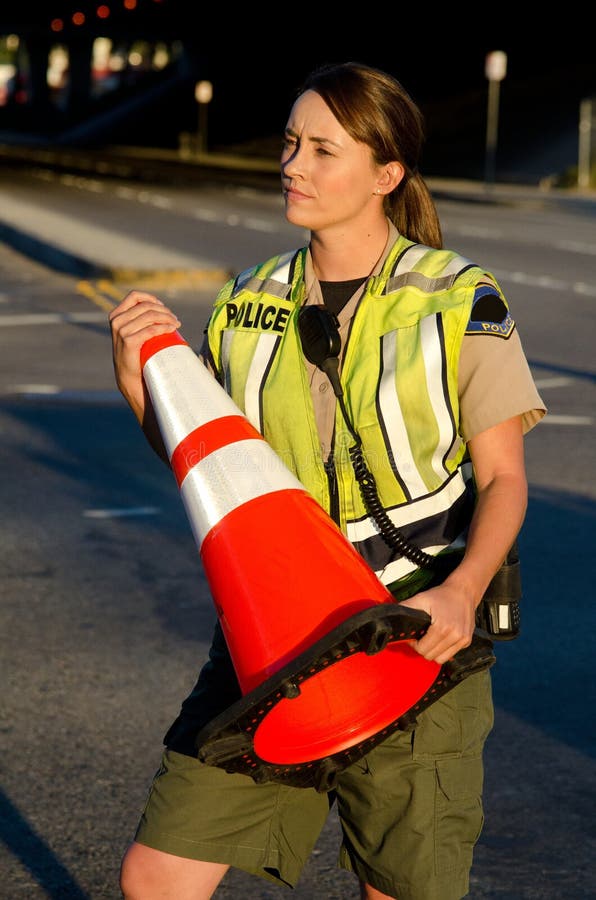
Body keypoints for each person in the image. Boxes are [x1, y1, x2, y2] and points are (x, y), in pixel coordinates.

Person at [109, 61, 546, 900]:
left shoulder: (458, 298)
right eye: (289, 144)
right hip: (276, 638)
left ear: (386, 175)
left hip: (415, 632)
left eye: (321, 150)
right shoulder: (243, 301)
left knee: (399, 888)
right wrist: (136, 381)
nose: (293, 166)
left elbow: (504, 479)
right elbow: (214, 477)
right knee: (156, 874)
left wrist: (461, 594)